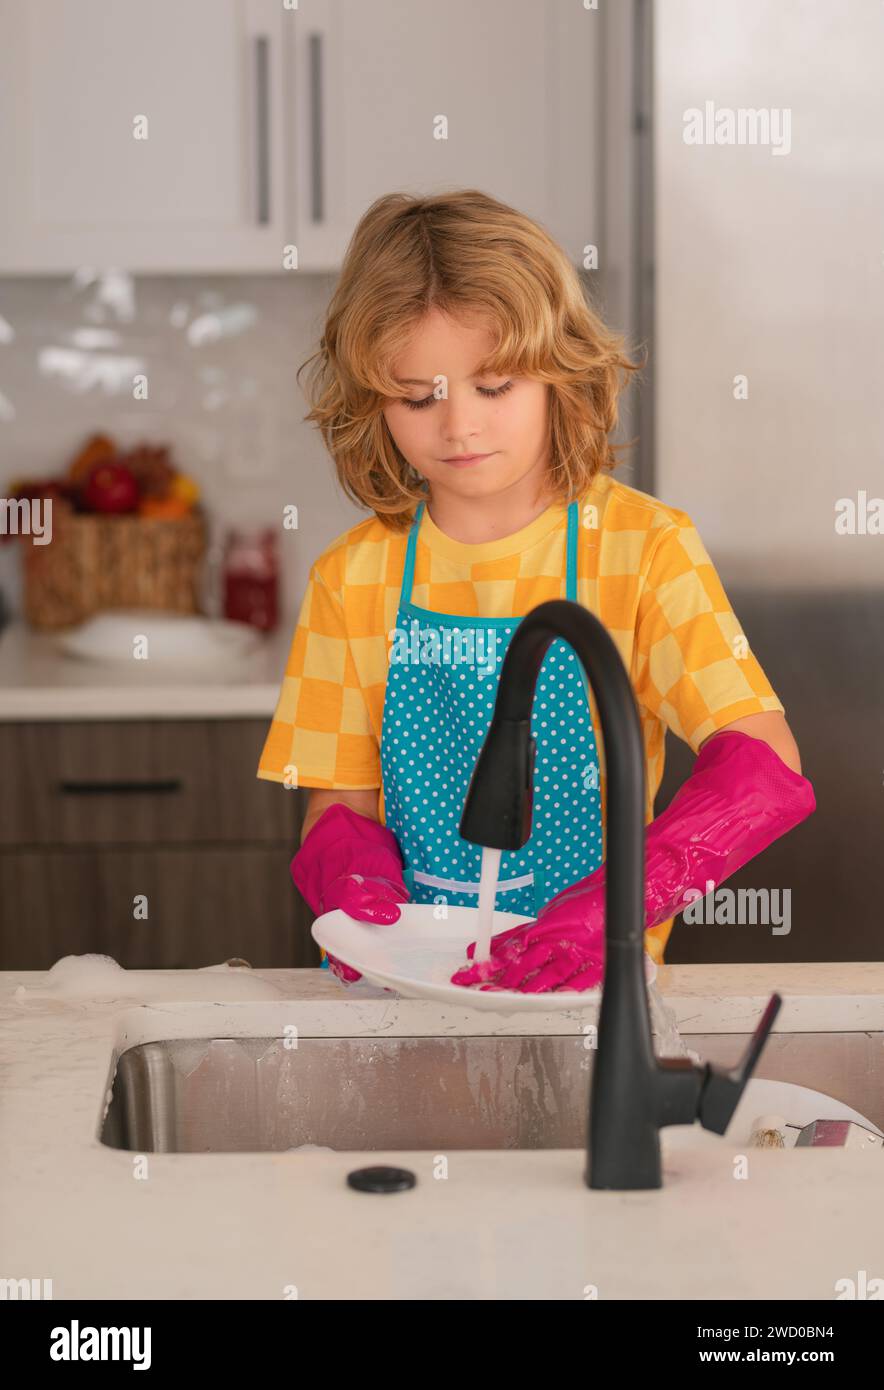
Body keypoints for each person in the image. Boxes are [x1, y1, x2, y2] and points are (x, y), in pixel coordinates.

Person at [257, 189, 815, 992]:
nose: (460, 428)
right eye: (418, 396)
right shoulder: (352, 576)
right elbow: (338, 803)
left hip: (595, 995)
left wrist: (621, 904)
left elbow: (763, 765)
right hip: (403, 994)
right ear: (368, 403)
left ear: (561, 373)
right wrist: (353, 881)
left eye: (495, 386)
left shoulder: (643, 550)